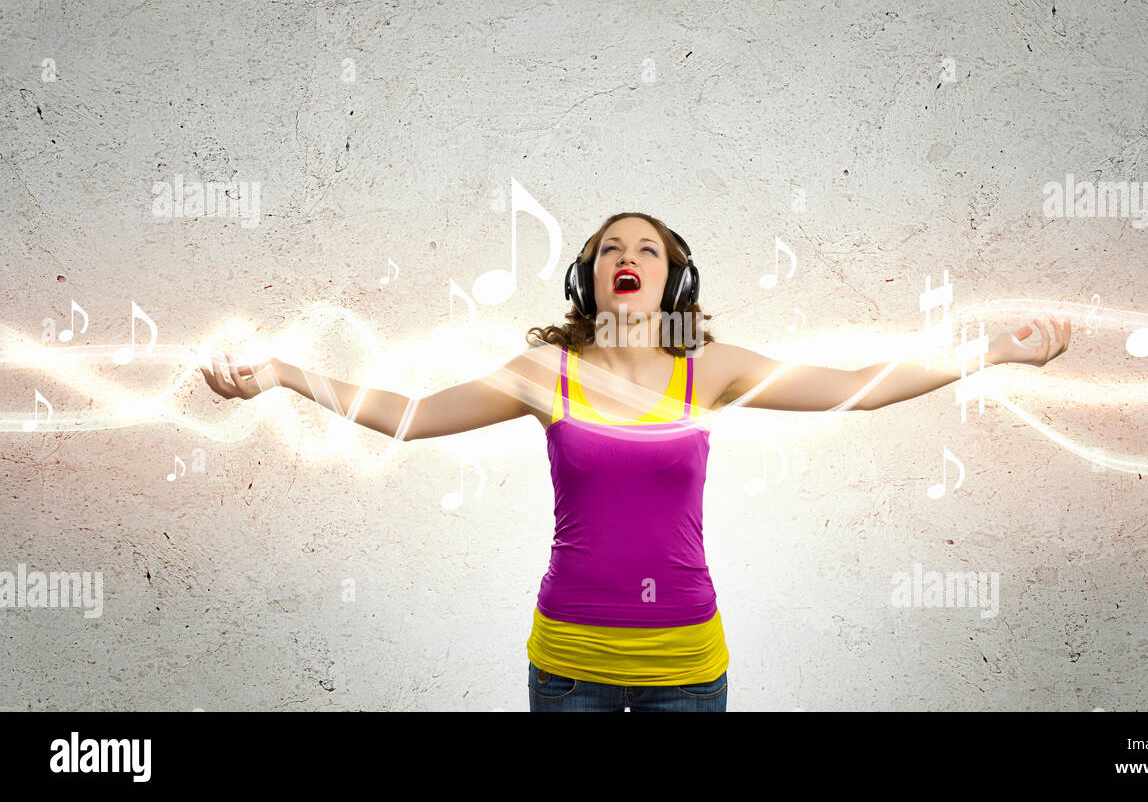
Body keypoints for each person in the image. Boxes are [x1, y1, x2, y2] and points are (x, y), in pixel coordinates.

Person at [199, 211, 1071, 711]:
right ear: (589, 278)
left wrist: (993, 350)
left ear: (674, 280)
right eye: (610, 248)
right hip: (568, 668)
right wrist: (281, 374)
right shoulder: (549, 372)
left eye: (647, 248)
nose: (628, 258)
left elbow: (858, 386)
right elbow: (413, 417)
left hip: (686, 672)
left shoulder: (709, 367)